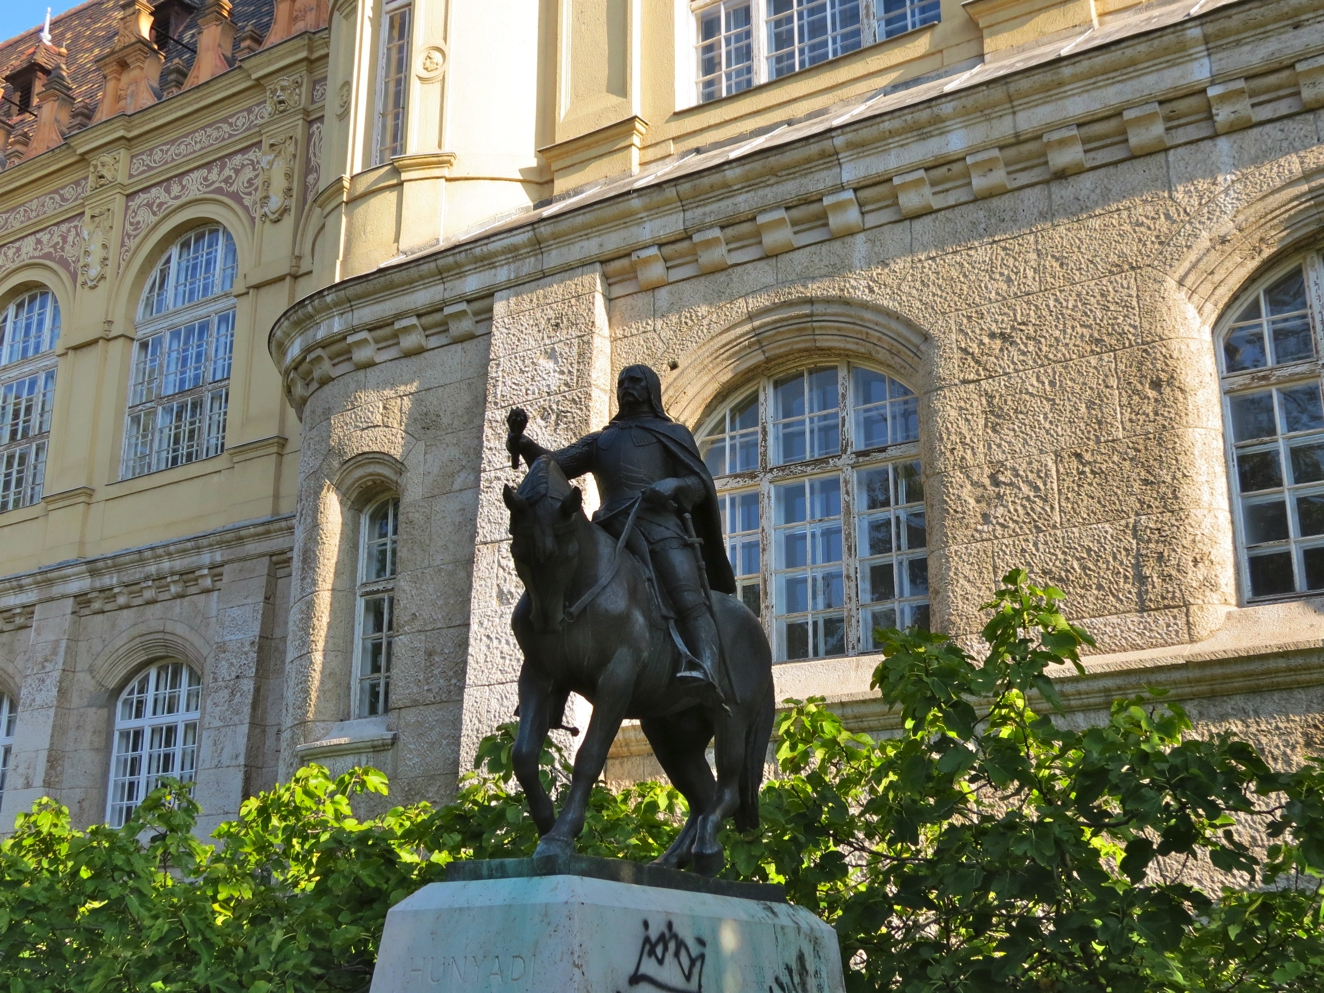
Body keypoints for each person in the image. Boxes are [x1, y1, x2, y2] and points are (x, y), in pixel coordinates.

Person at [506, 365, 735, 700]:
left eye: (636, 381)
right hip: (610, 528)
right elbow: (554, 464)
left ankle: (705, 666)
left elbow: (700, 482)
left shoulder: (672, 433)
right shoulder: (603, 439)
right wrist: (523, 442)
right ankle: (551, 679)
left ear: (651, 389)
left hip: (660, 527)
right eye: (623, 382)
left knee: (688, 597)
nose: (627, 387)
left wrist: (672, 485)